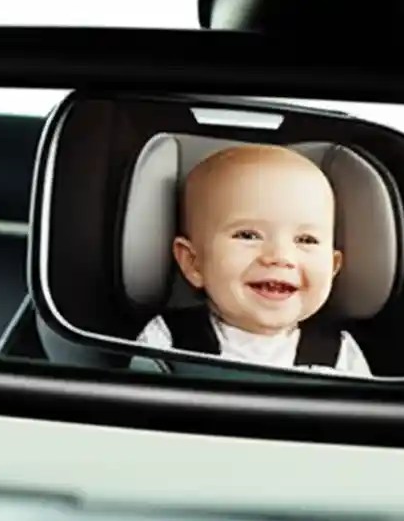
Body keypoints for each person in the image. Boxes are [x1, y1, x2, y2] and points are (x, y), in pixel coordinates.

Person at [134, 143, 373, 377]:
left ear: (333, 267)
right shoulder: (169, 340)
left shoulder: (338, 355)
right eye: (248, 235)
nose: (280, 256)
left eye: (306, 239)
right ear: (193, 262)